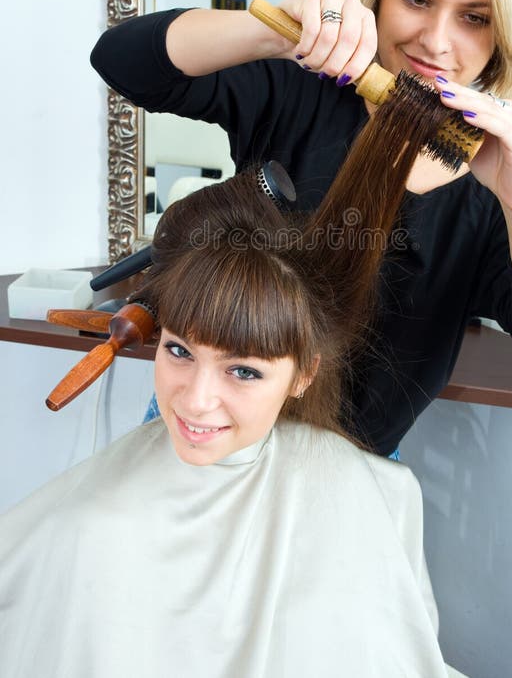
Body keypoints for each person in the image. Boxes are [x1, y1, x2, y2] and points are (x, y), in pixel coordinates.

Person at [90, 0, 512, 456]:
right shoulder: (297, 92)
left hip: (351, 470)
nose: (435, 39)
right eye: (415, 0)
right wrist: (272, 32)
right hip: (204, 422)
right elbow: (121, 60)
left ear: (509, 32)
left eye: (474, 18)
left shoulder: (504, 184)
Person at [0, 124, 467, 675]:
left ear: (302, 375)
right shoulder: (87, 528)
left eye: (242, 371)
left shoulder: (374, 498)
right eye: (178, 351)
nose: (196, 402)